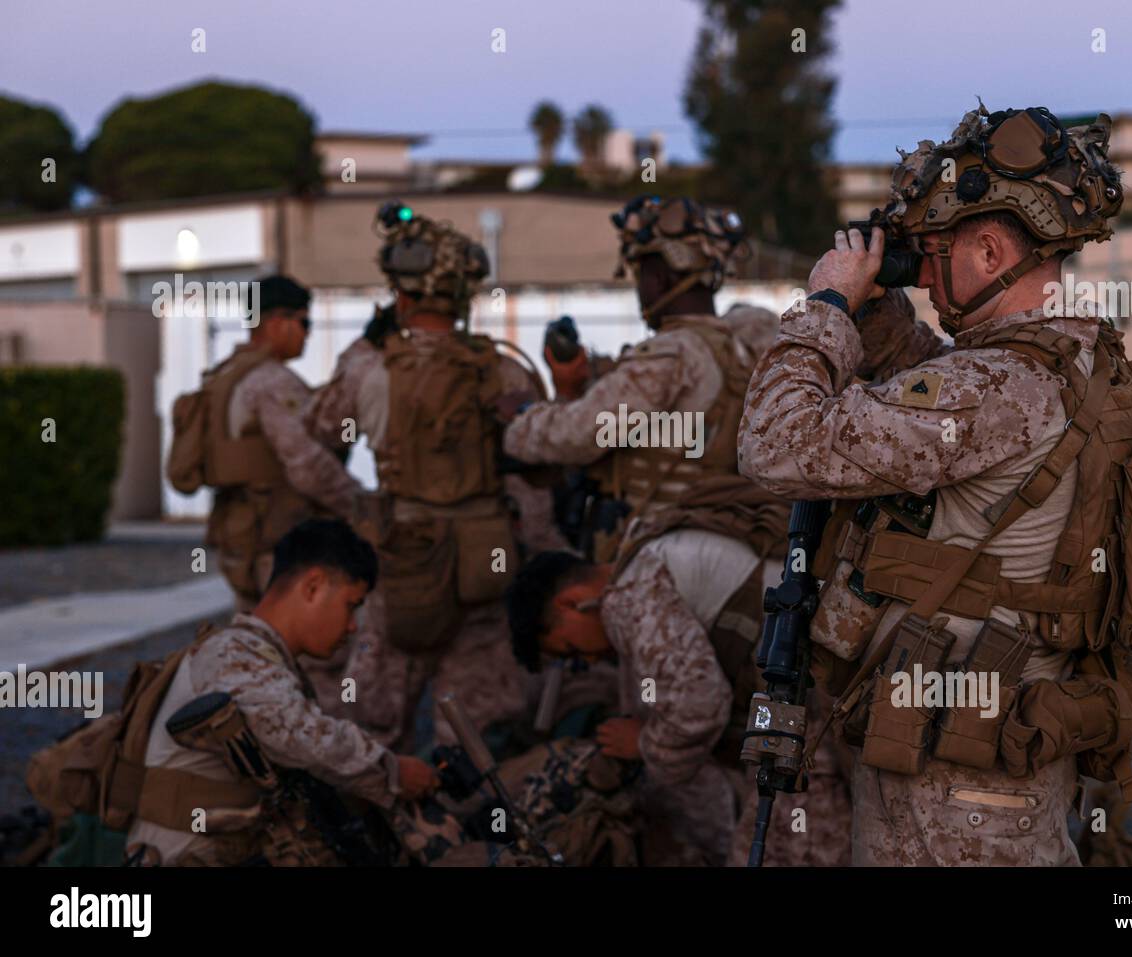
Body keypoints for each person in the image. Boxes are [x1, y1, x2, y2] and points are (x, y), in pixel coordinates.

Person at [737, 105, 1132, 866]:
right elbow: (938, 397)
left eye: (938, 253)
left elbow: (775, 445)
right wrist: (883, 316)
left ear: (993, 249)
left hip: (949, 787)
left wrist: (826, 306)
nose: (927, 273)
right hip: (1008, 745)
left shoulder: (989, 386)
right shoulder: (1082, 362)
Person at [504, 475, 852, 867]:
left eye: (569, 650)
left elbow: (698, 704)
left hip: (813, 708)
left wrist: (643, 744)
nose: (588, 661)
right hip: (820, 687)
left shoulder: (628, 597)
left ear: (571, 603)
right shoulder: (643, 548)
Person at [305, 209, 547, 748]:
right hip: (488, 562)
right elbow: (541, 464)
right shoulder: (504, 369)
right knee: (479, 731)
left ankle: (387, 819)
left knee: (371, 723)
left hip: (403, 565)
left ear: (402, 297)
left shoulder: (368, 369)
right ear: (463, 299)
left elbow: (320, 432)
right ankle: (474, 822)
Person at [126, 519, 436, 866]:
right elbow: (299, 735)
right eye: (351, 605)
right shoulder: (232, 652)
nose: (352, 626)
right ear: (313, 586)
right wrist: (391, 772)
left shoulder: (260, 657)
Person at [502, 196, 772, 562]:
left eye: (641, 275)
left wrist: (522, 419)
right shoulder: (745, 343)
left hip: (658, 547)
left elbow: (583, 434)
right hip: (724, 540)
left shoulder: (670, 354)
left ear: (659, 278)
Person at [171, 274, 369, 611]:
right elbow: (307, 466)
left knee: (256, 641)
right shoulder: (272, 382)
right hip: (278, 539)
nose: (308, 333)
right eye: (304, 322)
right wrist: (363, 508)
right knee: (312, 656)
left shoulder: (223, 375)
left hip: (241, 537)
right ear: (277, 322)